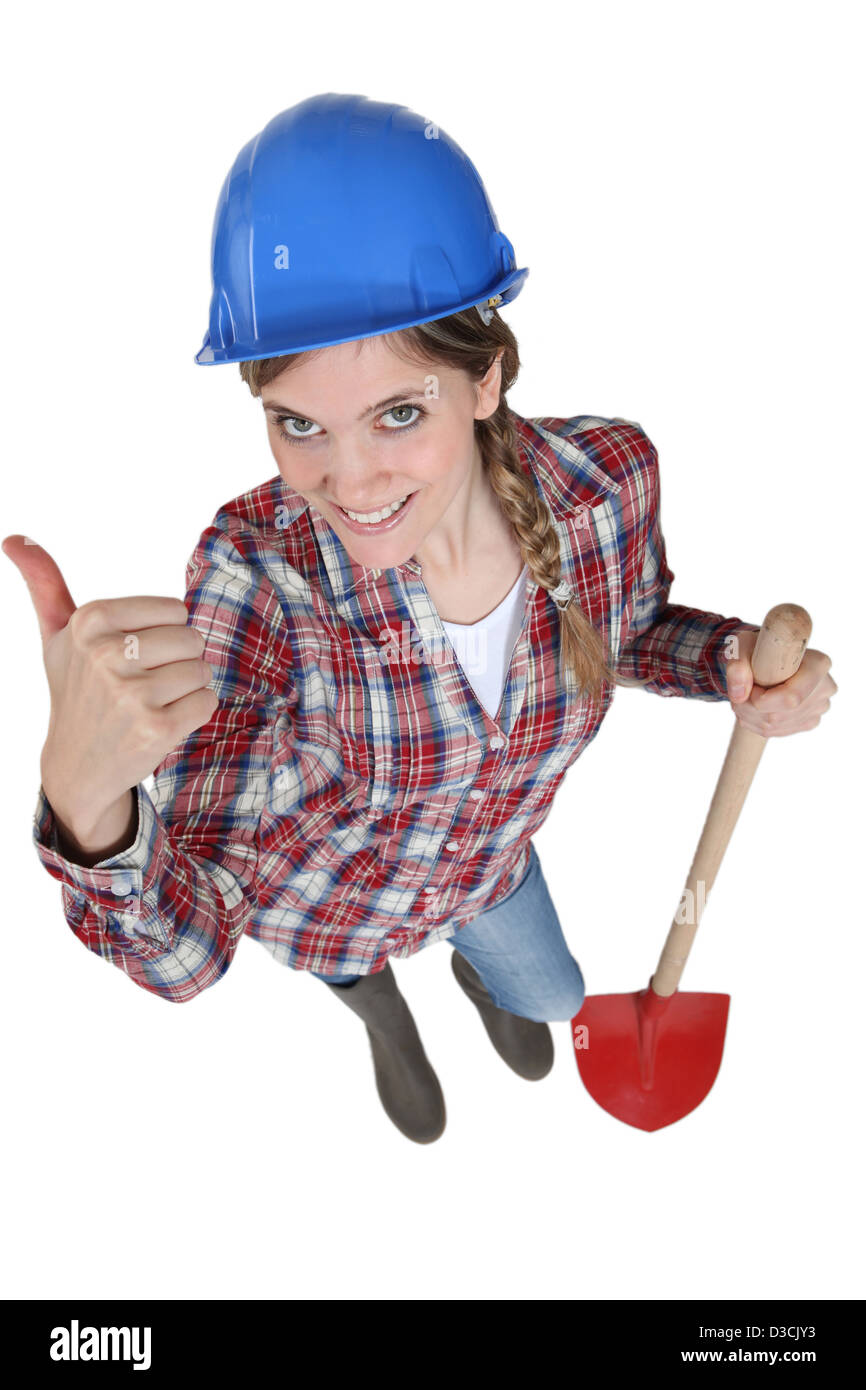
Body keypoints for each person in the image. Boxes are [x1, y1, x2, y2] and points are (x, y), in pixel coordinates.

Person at [3, 93, 837, 1146]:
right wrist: (89, 808)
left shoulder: (604, 485)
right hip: (327, 904)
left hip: (490, 870)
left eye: (398, 413)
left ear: (482, 377)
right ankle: (376, 1008)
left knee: (553, 1002)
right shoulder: (257, 577)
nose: (346, 481)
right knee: (350, 963)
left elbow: (621, 629)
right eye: (297, 424)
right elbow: (189, 946)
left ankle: (483, 978)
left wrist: (725, 663)